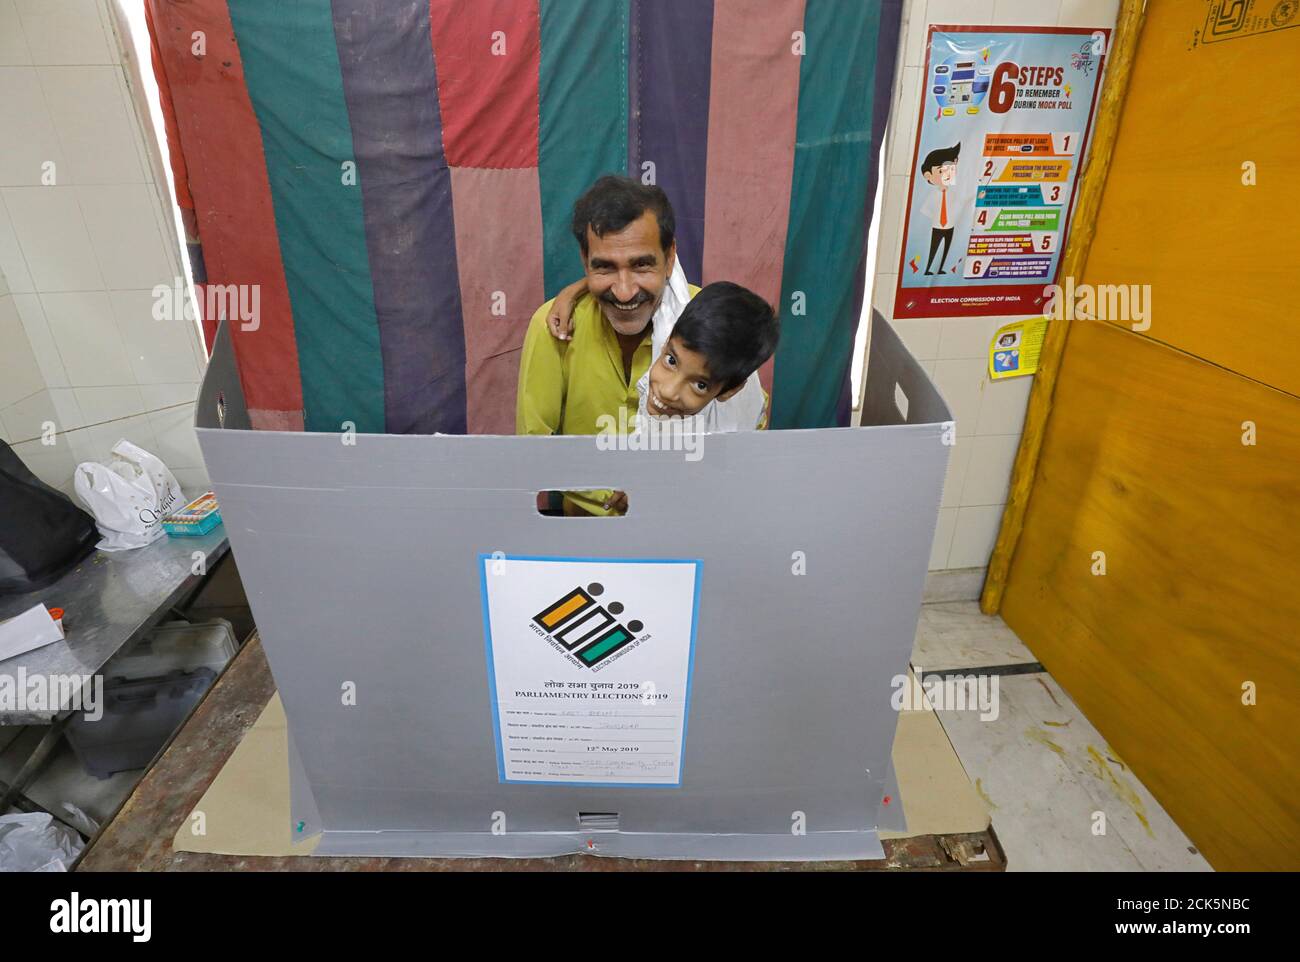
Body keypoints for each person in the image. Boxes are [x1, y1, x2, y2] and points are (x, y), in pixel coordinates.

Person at [516, 175, 691, 515]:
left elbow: (744, 435)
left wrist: (658, 483)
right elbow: (532, 452)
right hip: (581, 532)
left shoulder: (707, 322)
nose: (624, 292)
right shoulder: (553, 326)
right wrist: (602, 489)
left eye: (642, 264)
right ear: (585, 262)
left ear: (670, 258)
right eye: (605, 267)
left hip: (683, 527)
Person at [634, 281, 778, 433]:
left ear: (729, 392)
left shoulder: (731, 430)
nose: (668, 392)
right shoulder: (669, 329)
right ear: (667, 341)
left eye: (700, 385)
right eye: (671, 360)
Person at [918, 142, 962, 276]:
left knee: (946, 249)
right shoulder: (934, 194)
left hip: (950, 226)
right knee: (934, 248)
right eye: (941, 171)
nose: (947, 174)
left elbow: (960, 205)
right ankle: (928, 269)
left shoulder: (953, 194)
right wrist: (935, 217)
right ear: (928, 175)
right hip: (937, 226)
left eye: (950, 169)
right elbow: (925, 209)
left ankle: (940, 268)